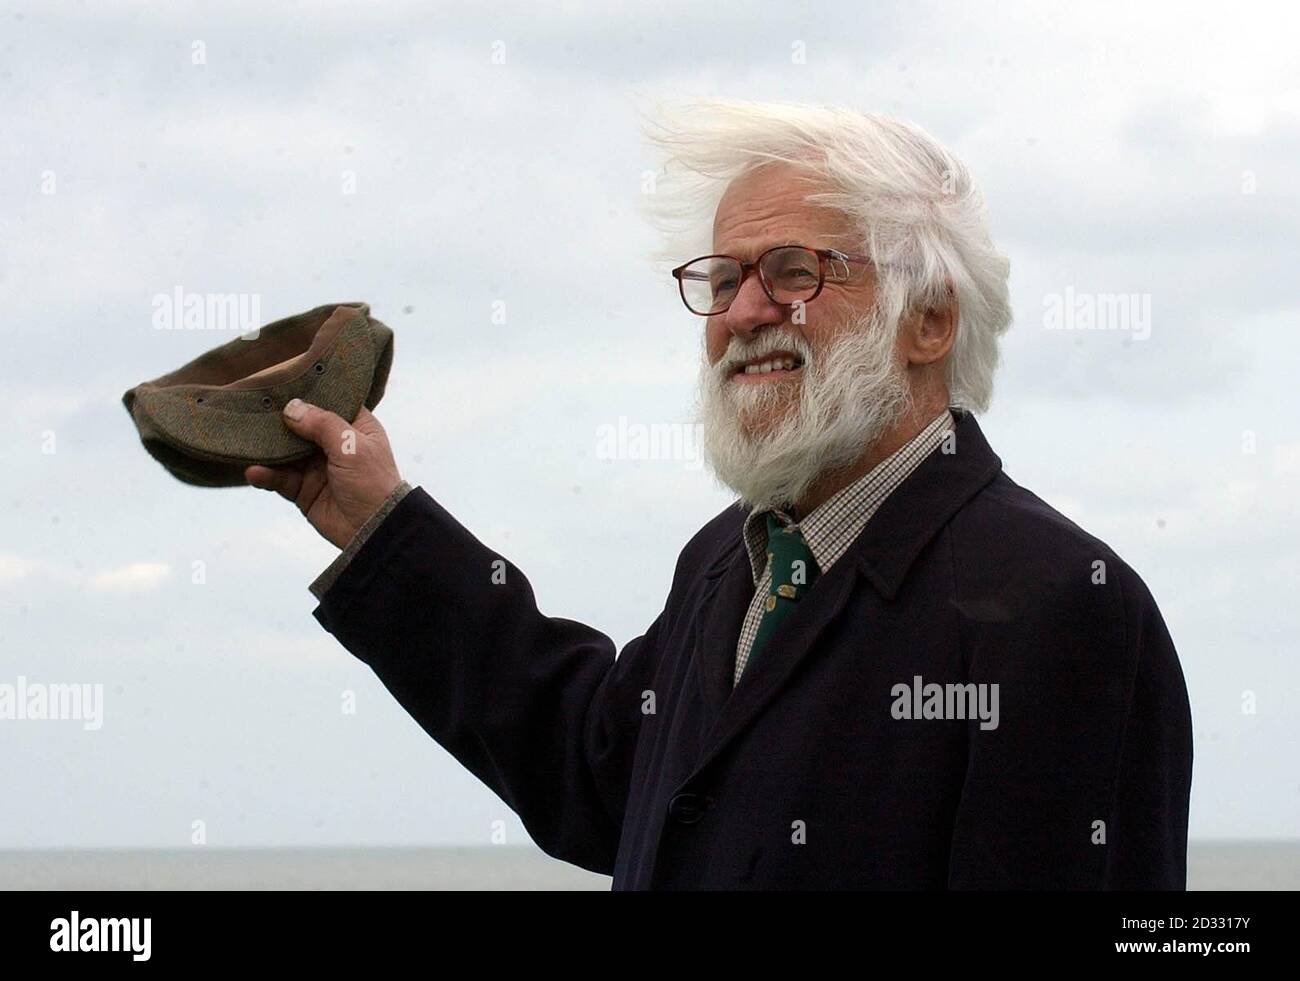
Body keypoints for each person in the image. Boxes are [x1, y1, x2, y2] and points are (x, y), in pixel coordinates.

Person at [247, 100, 1192, 889]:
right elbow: (595, 768)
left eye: (795, 272)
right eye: (723, 277)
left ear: (931, 319)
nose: (742, 312)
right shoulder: (730, 562)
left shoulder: (1062, 603)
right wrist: (379, 523)